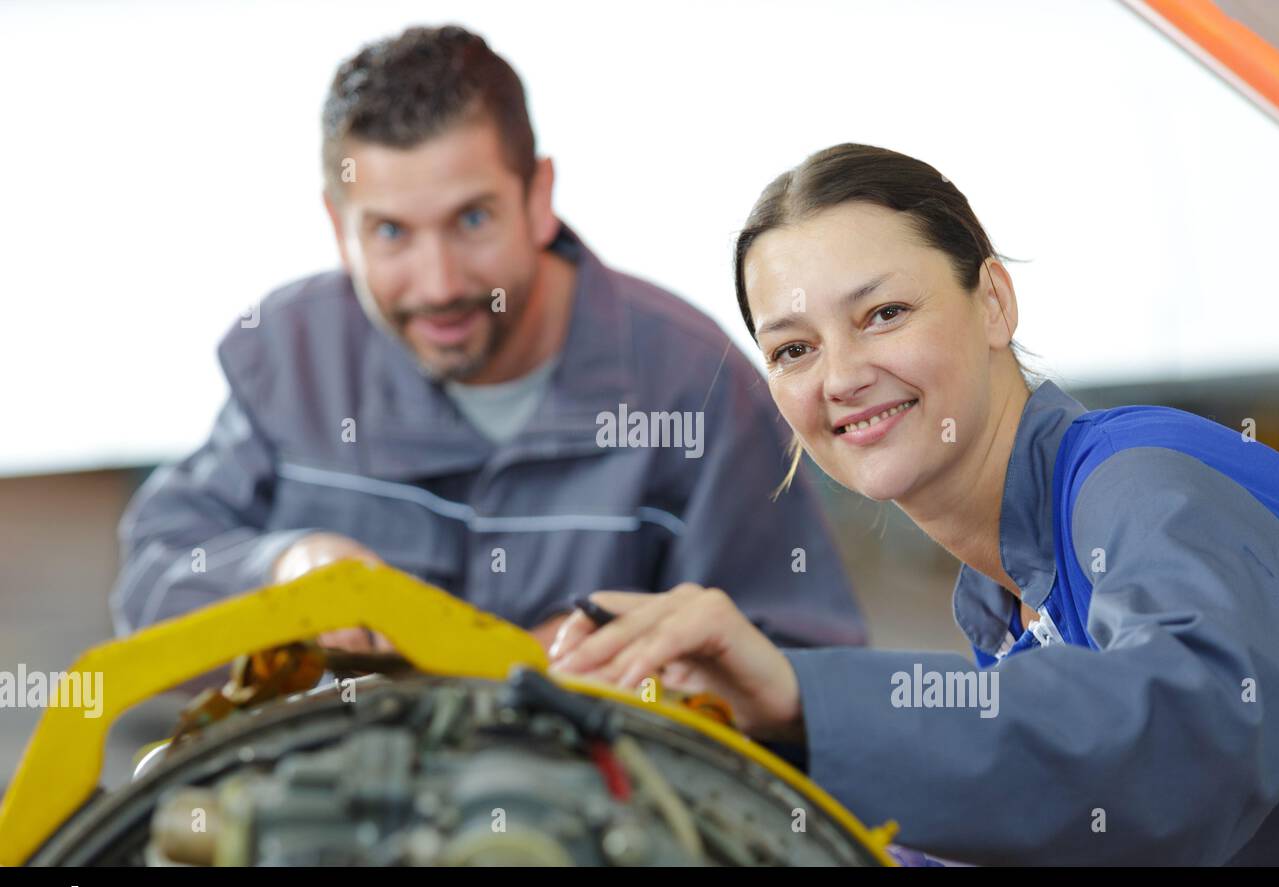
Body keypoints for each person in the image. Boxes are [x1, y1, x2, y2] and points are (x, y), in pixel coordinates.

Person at [550, 143, 1279, 865]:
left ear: (995, 304)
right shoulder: (1003, 606)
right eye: (792, 350)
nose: (840, 377)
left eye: (884, 313)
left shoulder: (1140, 482)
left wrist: (803, 698)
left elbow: (1187, 740)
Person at [110, 26, 866, 668]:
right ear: (339, 227)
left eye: (472, 220)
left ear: (538, 197)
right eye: (391, 232)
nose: (438, 285)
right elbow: (152, 581)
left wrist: (630, 670)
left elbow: (806, 666)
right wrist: (288, 565)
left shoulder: (699, 391)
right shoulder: (286, 356)